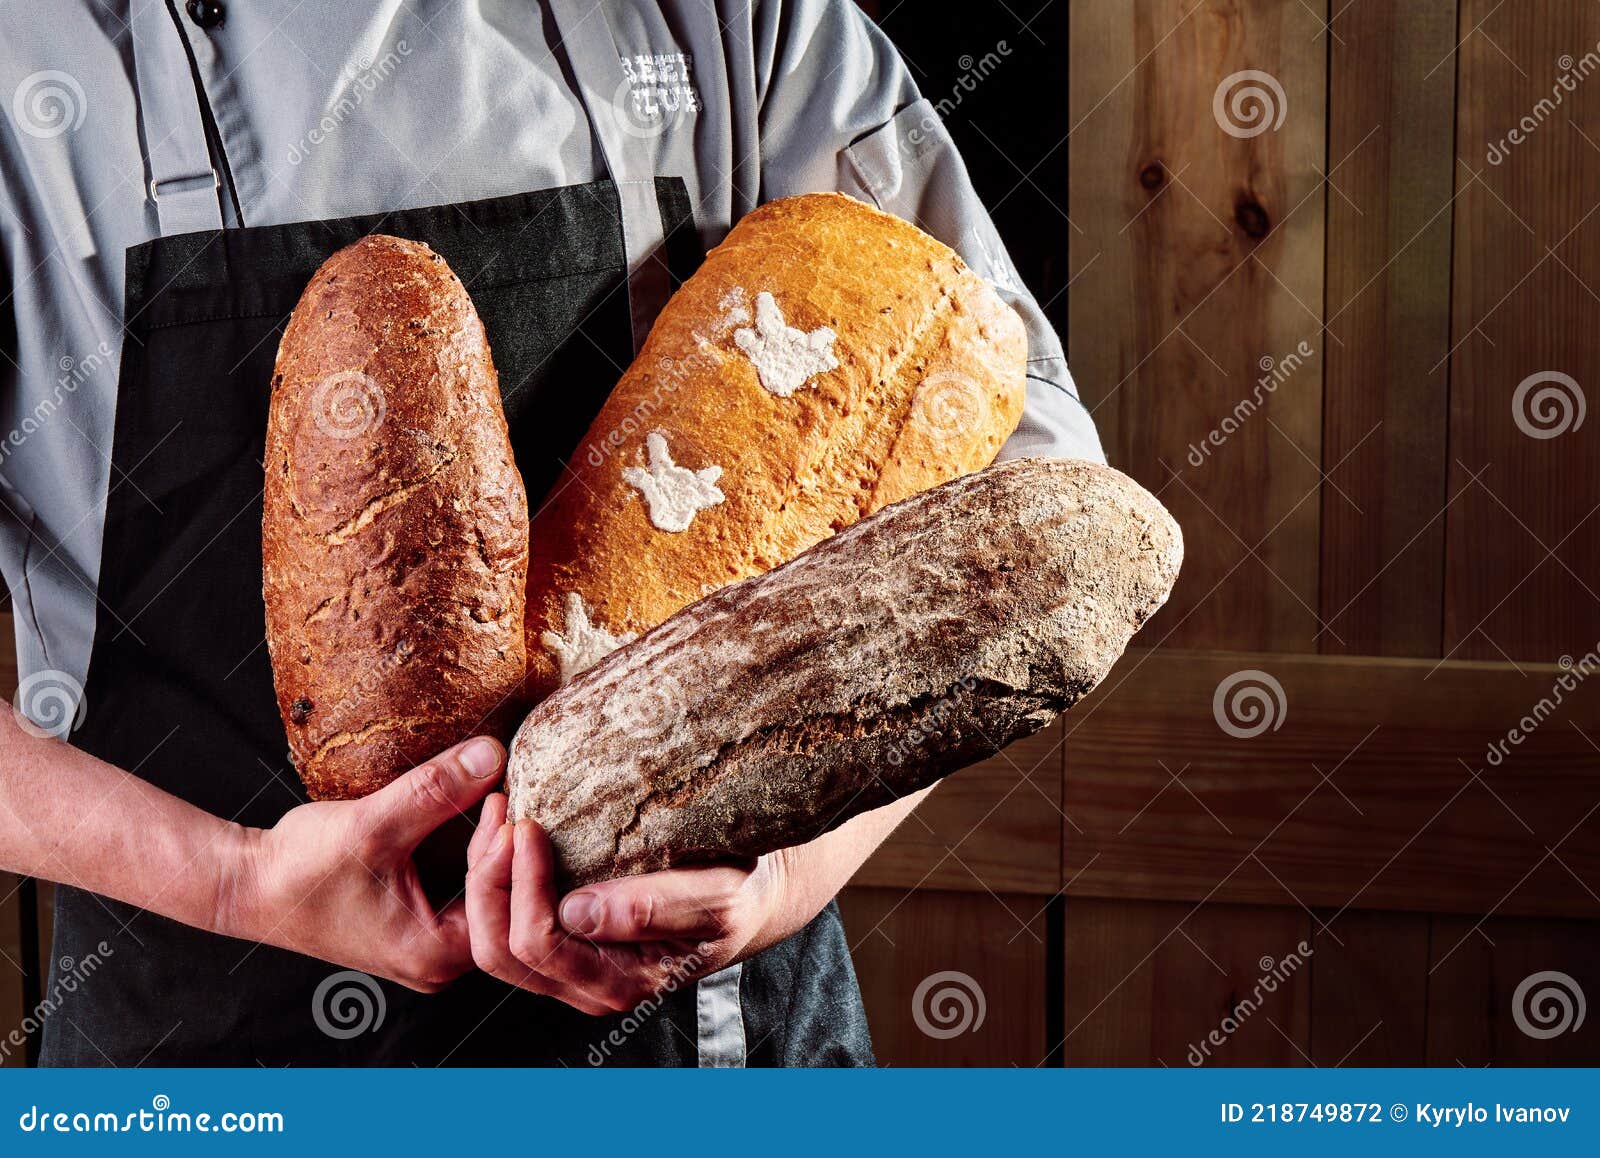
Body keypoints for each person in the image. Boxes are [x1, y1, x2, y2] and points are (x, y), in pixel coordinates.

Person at [0, 0, 1101, 1066]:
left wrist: (785, 878)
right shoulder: (29, 70)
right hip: (204, 1055)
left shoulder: (738, 22)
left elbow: (1031, 537)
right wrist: (232, 877)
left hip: (705, 1045)